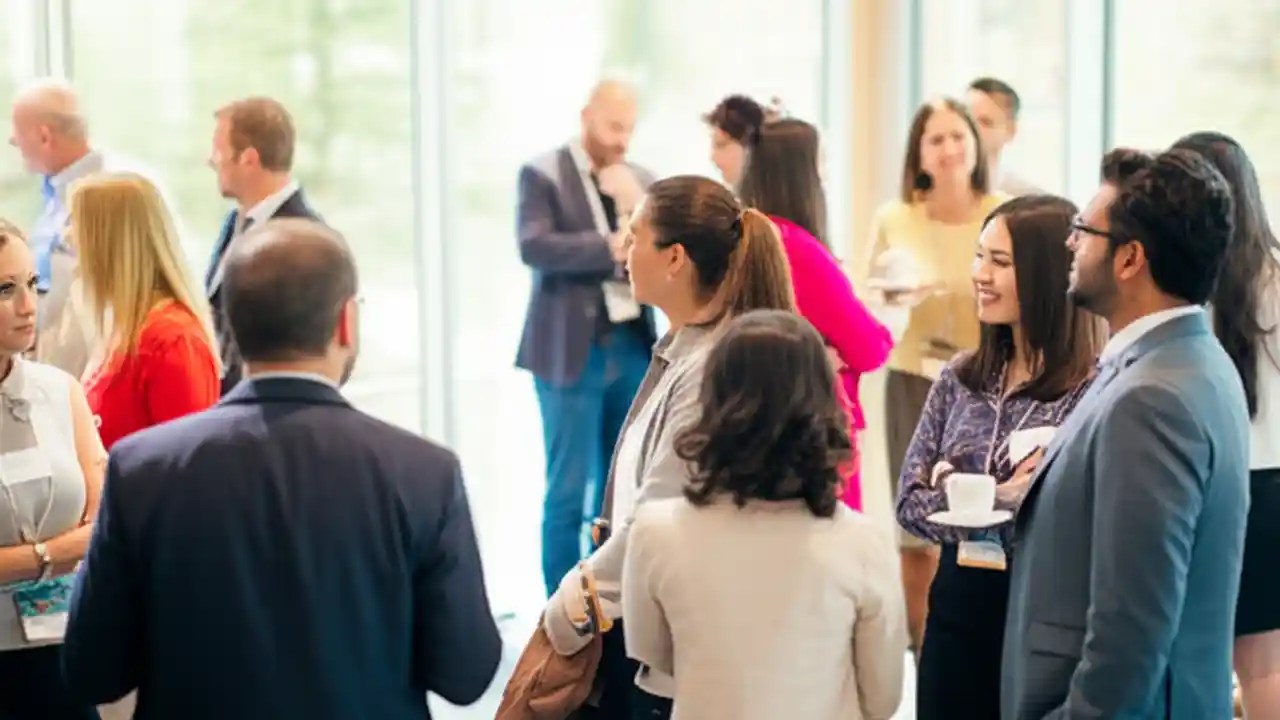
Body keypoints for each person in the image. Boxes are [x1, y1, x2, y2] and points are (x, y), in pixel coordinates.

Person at [63, 219, 502, 718]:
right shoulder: (425, 473)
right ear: (345, 323)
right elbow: (467, 673)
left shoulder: (141, 469)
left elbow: (92, 668)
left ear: (230, 323)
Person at [1001, 148, 1249, 719]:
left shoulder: (1152, 398)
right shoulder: (1190, 361)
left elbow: (1132, 628)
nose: (1069, 244)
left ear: (1130, 258)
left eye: (1082, 231)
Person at [539, 175, 796, 716]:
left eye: (635, 238)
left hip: (677, 644)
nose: (625, 253)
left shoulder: (712, 368)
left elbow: (659, 513)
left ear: (675, 257)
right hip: (646, 620)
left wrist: (575, 602)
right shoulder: (683, 349)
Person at [623, 309, 905, 720]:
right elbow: (883, 699)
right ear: (823, 406)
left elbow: (658, 662)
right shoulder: (861, 543)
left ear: (711, 404)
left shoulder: (654, 532)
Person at [895, 195, 1103, 718]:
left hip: (1040, 613)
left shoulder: (1092, 391)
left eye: (1000, 262)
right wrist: (1004, 496)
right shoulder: (959, 378)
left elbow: (1073, 521)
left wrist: (959, 492)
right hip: (956, 609)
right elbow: (909, 504)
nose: (979, 275)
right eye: (979, 256)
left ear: (1046, 273)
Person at [861, 97, 1006, 659]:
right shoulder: (894, 218)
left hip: (986, 378)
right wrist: (894, 297)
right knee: (917, 521)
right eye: (935, 139)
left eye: (957, 136)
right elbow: (872, 297)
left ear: (974, 144)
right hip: (913, 378)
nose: (948, 149)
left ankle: (982, 646)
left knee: (985, 517)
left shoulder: (1003, 210)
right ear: (918, 154)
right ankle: (927, 656)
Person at [516, 79, 657, 596]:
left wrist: (635, 206)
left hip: (632, 346)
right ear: (586, 117)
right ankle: (562, 613)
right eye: (612, 126)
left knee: (624, 488)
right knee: (567, 492)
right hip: (569, 352)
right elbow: (534, 246)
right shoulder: (543, 173)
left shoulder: (640, 179)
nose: (622, 139)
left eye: (629, 128)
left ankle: (613, 604)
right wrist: (610, 247)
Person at [1172, 131, 1280, 719]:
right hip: (1272, 490)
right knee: (1264, 667)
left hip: (1206, 488)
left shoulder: (1186, 288)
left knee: (1198, 659)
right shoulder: (1276, 279)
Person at [736, 116, 893, 510]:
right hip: (815, 435)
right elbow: (870, 347)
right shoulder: (797, 248)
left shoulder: (746, 239)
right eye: (820, 165)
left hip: (761, 432)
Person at [0, 220, 104, 720]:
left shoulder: (61, 390)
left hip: (63, 650)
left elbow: (100, 523)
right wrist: (49, 554)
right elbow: (75, 542)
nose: (27, 306)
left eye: (31, 285)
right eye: (5, 289)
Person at [72, 173, 219, 450]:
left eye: (78, 226)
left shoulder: (173, 341)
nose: (68, 238)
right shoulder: (122, 328)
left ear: (109, 244)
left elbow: (185, 462)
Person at [206, 96, 322, 395]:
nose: (209, 161)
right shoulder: (233, 224)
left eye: (218, 153)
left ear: (249, 159)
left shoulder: (306, 239)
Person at [8, 80, 113, 377]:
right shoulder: (54, 196)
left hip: (79, 370)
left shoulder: (103, 198)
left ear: (44, 137)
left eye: (17, 131)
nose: (12, 141)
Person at [965, 78, 1039, 196]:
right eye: (966, 120)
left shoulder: (1028, 201)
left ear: (1011, 130)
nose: (971, 130)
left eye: (985, 122)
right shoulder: (933, 195)